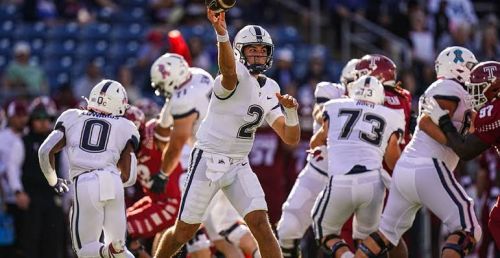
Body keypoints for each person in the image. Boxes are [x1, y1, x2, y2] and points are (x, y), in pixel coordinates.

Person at [154, 8, 301, 258]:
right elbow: (230, 72)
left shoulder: (270, 87)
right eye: (252, 49)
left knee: (261, 225)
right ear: (239, 51)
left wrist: (291, 113)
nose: (258, 54)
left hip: (238, 164)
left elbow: (290, 138)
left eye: (262, 50)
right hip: (208, 159)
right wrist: (222, 34)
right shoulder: (231, 76)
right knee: (183, 232)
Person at [354, 46, 481, 258]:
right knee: (468, 229)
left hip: (408, 168)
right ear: (457, 68)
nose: (474, 73)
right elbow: (426, 123)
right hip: (428, 166)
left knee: (385, 234)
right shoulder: (450, 87)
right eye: (470, 67)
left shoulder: (457, 92)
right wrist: (455, 142)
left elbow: (473, 131)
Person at [38, 79, 139, 258]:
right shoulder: (126, 126)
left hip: (85, 181)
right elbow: (130, 176)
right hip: (113, 181)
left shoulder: (72, 117)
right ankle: (111, 250)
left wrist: (53, 180)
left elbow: (45, 151)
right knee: (120, 251)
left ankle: (107, 251)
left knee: (84, 250)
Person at [309, 76, 404, 258]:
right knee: (367, 241)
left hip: (341, 181)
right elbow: (394, 162)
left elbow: (316, 142)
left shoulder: (334, 106)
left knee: (324, 231)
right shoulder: (392, 115)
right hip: (373, 182)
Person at [276, 58, 358, 257]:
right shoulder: (329, 90)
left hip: (347, 178)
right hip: (317, 171)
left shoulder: (376, 105)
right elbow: (320, 113)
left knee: (344, 238)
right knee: (287, 228)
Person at [421, 61, 500, 249]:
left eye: (480, 88)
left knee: (497, 220)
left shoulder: (493, 111)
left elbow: (466, 151)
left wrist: (444, 122)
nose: (475, 95)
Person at [19, 97, 66, 258]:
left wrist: (69, 198)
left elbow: (66, 172)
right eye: (38, 117)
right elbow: (15, 169)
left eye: (48, 118)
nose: (43, 122)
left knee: (53, 242)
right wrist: (18, 192)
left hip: (53, 198)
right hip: (31, 199)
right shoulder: (23, 142)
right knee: (31, 241)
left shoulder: (60, 143)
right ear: (31, 119)